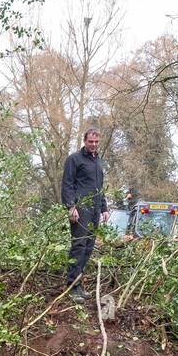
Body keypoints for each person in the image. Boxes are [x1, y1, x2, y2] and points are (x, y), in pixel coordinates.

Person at [61, 128, 110, 301]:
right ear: (85, 141)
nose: (94, 145)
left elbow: (100, 188)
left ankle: (79, 284)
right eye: (91, 141)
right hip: (81, 210)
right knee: (79, 246)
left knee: (88, 247)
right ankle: (72, 287)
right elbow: (67, 184)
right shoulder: (74, 159)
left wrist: (104, 208)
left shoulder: (98, 162)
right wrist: (71, 207)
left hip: (95, 210)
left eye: (96, 142)